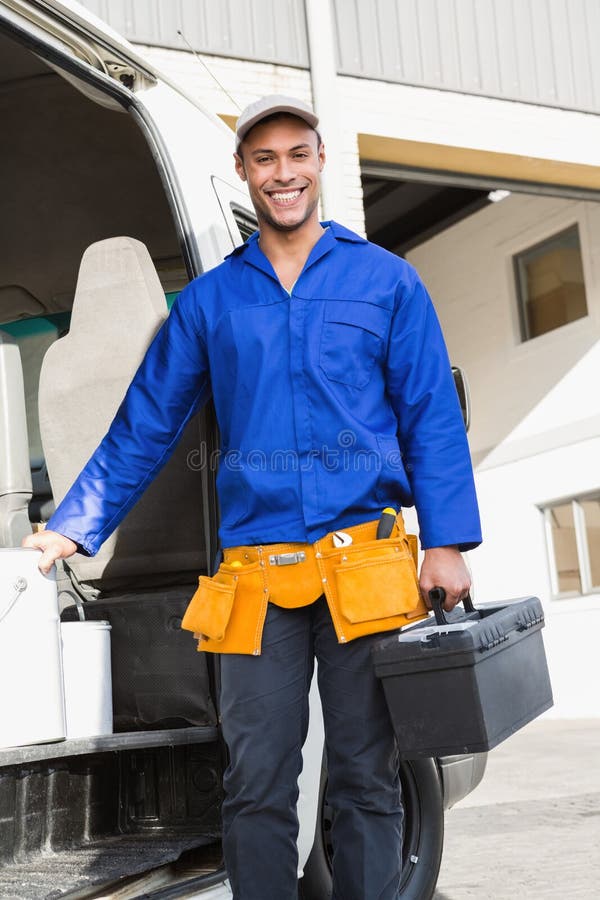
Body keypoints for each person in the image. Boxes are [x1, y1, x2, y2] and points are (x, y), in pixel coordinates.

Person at [24, 95, 481, 899]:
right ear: (243, 172)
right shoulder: (209, 302)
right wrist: (71, 527)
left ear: (319, 163)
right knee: (256, 783)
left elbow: (430, 418)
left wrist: (444, 541)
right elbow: (147, 422)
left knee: (365, 778)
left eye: (296, 154)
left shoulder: (387, 282)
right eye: (264, 160)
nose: (283, 173)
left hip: (365, 563)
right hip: (256, 577)